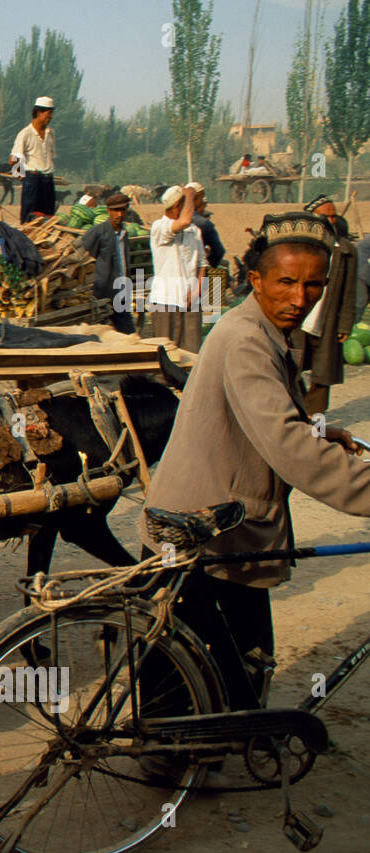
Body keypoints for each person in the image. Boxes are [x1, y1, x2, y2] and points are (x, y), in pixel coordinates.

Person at [139, 212, 370, 712]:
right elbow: (290, 447)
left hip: (225, 523)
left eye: (313, 285)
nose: (300, 298)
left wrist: (322, 430)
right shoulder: (247, 339)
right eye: (286, 282)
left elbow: (267, 417)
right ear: (257, 279)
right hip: (206, 527)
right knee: (195, 679)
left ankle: (226, 738)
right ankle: (184, 751)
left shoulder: (264, 330)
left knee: (235, 667)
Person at [292, 195, 361, 415]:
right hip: (299, 318)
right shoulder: (299, 246)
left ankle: (316, 425)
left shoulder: (346, 250)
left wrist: (345, 323)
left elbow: (349, 290)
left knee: (323, 375)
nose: (331, 221)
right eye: (326, 216)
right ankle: (299, 414)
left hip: (327, 320)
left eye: (333, 216)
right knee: (291, 368)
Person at [147, 184, 206, 353]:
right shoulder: (159, 227)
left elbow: (202, 263)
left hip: (191, 302)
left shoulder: (194, 231)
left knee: (191, 354)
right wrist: (190, 195)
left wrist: (196, 291)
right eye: (186, 205)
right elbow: (184, 221)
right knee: (166, 354)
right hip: (165, 300)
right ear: (176, 207)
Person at [81, 192, 137, 334]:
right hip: (102, 294)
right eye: (115, 210)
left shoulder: (124, 233)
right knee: (100, 334)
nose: (119, 214)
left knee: (128, 334)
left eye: (122, 210)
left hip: (121, 292)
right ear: (108, 211)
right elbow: (84, 258)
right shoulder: (97, 232)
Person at [11, 96, 57, 224]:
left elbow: (50, 156)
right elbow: (14, 159)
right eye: (49, 113)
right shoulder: (25, 133)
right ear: (39, 112)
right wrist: (21, 176)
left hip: (48, 179)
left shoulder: (50, 133)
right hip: (33, 179)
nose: (51, 117)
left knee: (48, 218)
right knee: (29, 218)